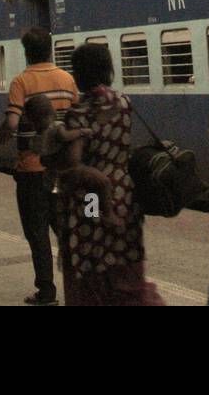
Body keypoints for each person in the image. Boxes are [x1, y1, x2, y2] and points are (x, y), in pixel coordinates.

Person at [58, 43, 163, 306]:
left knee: (93, 261)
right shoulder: (125, 103)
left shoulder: (80, 113)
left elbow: (77, 166)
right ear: (108, 70)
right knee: (124, 265)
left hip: (92, 200)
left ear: (79, 74)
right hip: (125, 196)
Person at [0, 27, 77, 306]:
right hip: (63, 172)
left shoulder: (21, 82)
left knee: (37, 233)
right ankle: (76, 286)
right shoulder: (67, 79)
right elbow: (75, 119)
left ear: (27, 53)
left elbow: (13, 123)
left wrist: (2, 135)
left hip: (32, 170)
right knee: (65, 230)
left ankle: (47, 292)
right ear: (50, 49)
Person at [24, 94, 121, 229]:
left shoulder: (35, 139)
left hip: (53, 176)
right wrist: (82, 132)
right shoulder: (56, 127)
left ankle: (87, 217)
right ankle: (107, 214)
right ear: (52, 111)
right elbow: (64, 137)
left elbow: (42, 158)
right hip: (72, 170)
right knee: (102, 182)